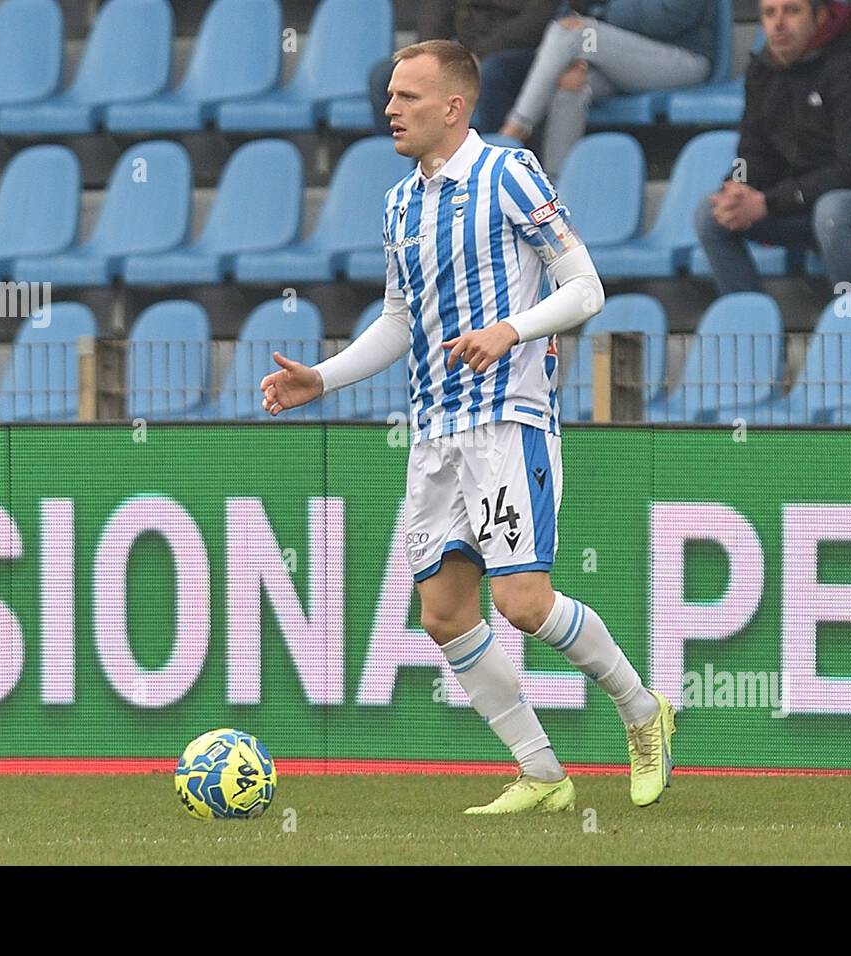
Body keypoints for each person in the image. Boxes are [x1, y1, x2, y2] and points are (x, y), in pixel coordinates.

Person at [260, 39, 675, 815]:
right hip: (434, 432)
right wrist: (324, 376)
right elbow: (397, 320)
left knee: (523, 602)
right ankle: (542, 775)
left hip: (508, 420)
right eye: (389, 96)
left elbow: (585, 289)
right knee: (445, 613)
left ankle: (643, 712)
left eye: (407, 97)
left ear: (453, 106)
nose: (390, 108)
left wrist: (510, 332)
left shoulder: (509, 173)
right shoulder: (398, 204)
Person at [695, 0, 851, 294]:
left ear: (821, 16)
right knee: (711, 214)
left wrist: (769, 203)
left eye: (792, 11)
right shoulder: (763, 73)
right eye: (769, 13)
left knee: (835, 212)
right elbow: (751, 155)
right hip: (814, 204)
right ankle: (753, 334)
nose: (778, 24)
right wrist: (736, 187)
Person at [498, 0, 719, 175]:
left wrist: (602, 17)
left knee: (574, 33)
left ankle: (514, 132)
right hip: (627, 57)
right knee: (572, 83)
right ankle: (559, 185)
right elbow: (572, 10)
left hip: (684, 61)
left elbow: (669, 18)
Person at [367, 0, 560, 135]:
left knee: (491, 74)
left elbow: (537, 19)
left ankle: (491, 168)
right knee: (383, 77)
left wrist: (480, 54)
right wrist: (429, 55)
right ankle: (405, 170)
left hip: (523, 55)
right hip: (464, 54)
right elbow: (434, 15)